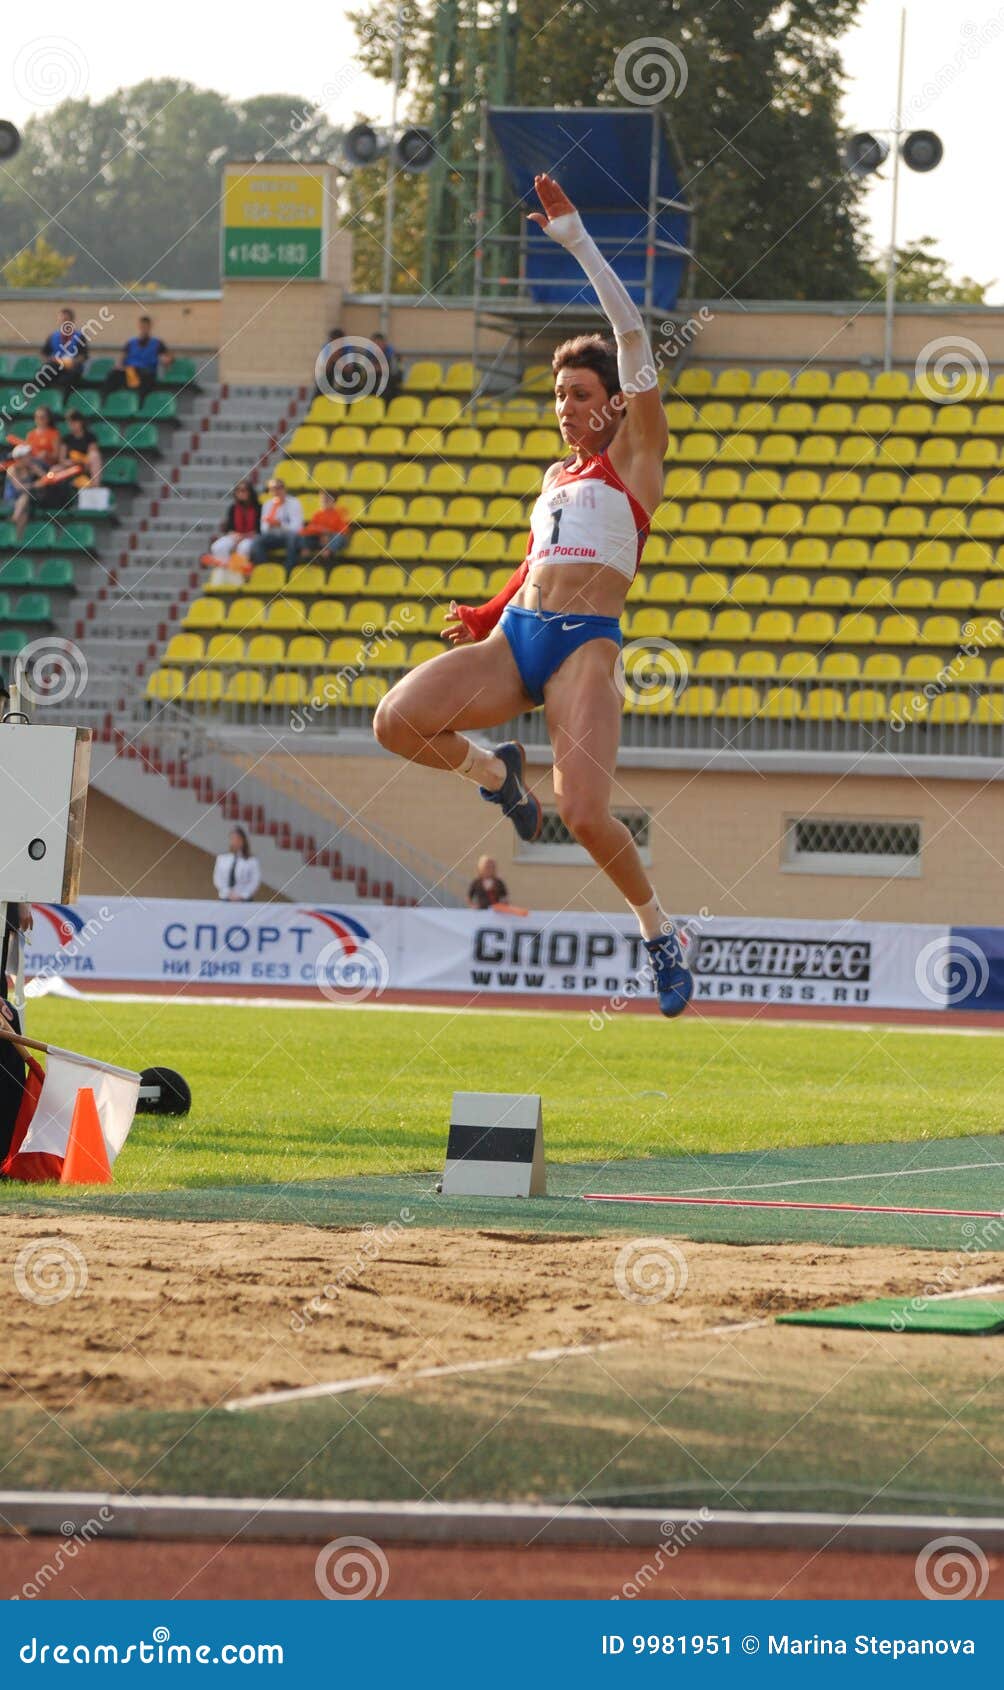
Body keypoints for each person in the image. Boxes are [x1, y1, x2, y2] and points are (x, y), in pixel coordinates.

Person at [373, 171, 692, 1018]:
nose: (564, 406)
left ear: (616, 403)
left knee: (585, 815)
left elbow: (628, 332)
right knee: (394, 722)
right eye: (557, 395)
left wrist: (580, 241)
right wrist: (486, 611)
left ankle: (660, 932)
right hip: (518, 634)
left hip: (584, 642)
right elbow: (537, 557)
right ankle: (495, 771)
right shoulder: (554, 476)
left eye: (578, 395)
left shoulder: (637, 456)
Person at [200, 480, 261, 585]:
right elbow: (229, 528)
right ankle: (224, 575)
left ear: (250, 492)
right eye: (238, 491)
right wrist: (235, 536)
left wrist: (244, 536)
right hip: (236, 535)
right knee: (218, 546)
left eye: (244, 490)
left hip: (252, 536)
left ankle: (239, 578)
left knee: (244, 547)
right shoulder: (233, 508)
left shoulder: (259, 508)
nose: (241, 493)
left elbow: (259, 529)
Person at [102, 315, 173, 403]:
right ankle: (104, 402)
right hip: (130, 373)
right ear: (139, 326)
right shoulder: (131, 342)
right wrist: (118, 366)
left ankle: (139, 406)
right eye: (142, 326)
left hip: (146, 373)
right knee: (113, 374)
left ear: (150, 327)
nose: (144, 328)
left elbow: (165, 357)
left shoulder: (157, 343)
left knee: (144, 378)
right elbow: (121, 357)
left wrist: (167, 360)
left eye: (146, 326)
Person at [250, 477, 303, 573]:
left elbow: (296, 528)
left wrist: (280, 525)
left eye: (280, 487)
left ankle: (288, 571)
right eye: (273, 488)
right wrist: (270, 525)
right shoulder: (267, 504)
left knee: (292, 538)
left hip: (288, 535)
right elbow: (263, 529)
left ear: (284, 489)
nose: (277, 491)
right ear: (270, 491)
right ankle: (265, 570)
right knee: (257, 541)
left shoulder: (294, 503)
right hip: (273, 536)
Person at [39, 306, 88, 395]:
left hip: (72, 367)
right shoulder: (53, 336)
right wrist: (51, 360)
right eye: (62, 320)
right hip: (55, 365)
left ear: (72, 321)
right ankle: (44, 399)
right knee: (42, 374)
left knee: (69, 379)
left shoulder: (79, 336)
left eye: (66, 320)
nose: (64, 323)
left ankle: (64, 402)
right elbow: (44, 354)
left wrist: (72, 362)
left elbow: (83, 356)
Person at [300, 489, 351, 561]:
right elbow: (309, 529)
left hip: (333, 539)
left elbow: (344, 531)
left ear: (333, 500)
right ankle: (305, 552)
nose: (324, 501)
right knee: (304, 537)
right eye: (323, 499)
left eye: (327, 499)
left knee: (339, 537)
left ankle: (327, 553)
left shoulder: (341, 512)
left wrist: (328, 533)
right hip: (320, 539)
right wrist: (322, 532)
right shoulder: (318, 514)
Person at [212, 828, 261, 902]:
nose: (235, 842)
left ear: (243, 841)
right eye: (232, 839)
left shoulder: (252, 861)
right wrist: (228, 893)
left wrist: (241, 895)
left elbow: (254, 881)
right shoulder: (222, 858)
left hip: (244, 900)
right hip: (225, 898)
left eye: (237, 839)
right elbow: (217, 879)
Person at [62, 409, 103, 487]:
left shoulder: (90, 437)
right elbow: (62, 459)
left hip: (85, 466)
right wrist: (69, 462)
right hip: (70, 467)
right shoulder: (66, 438)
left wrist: (81, 462)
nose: (71, 424)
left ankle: (95, 485)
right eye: (69, 422)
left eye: (74, 422)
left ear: (81, 422)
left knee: (94, 456)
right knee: (54, 470)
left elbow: (92, 453)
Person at [371, 331, 403, 402]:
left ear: (384, 343)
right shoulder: (371, 354)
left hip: (393, 378)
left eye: (378, 343)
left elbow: (393, 371)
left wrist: (379, 368)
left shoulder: (392, 354)